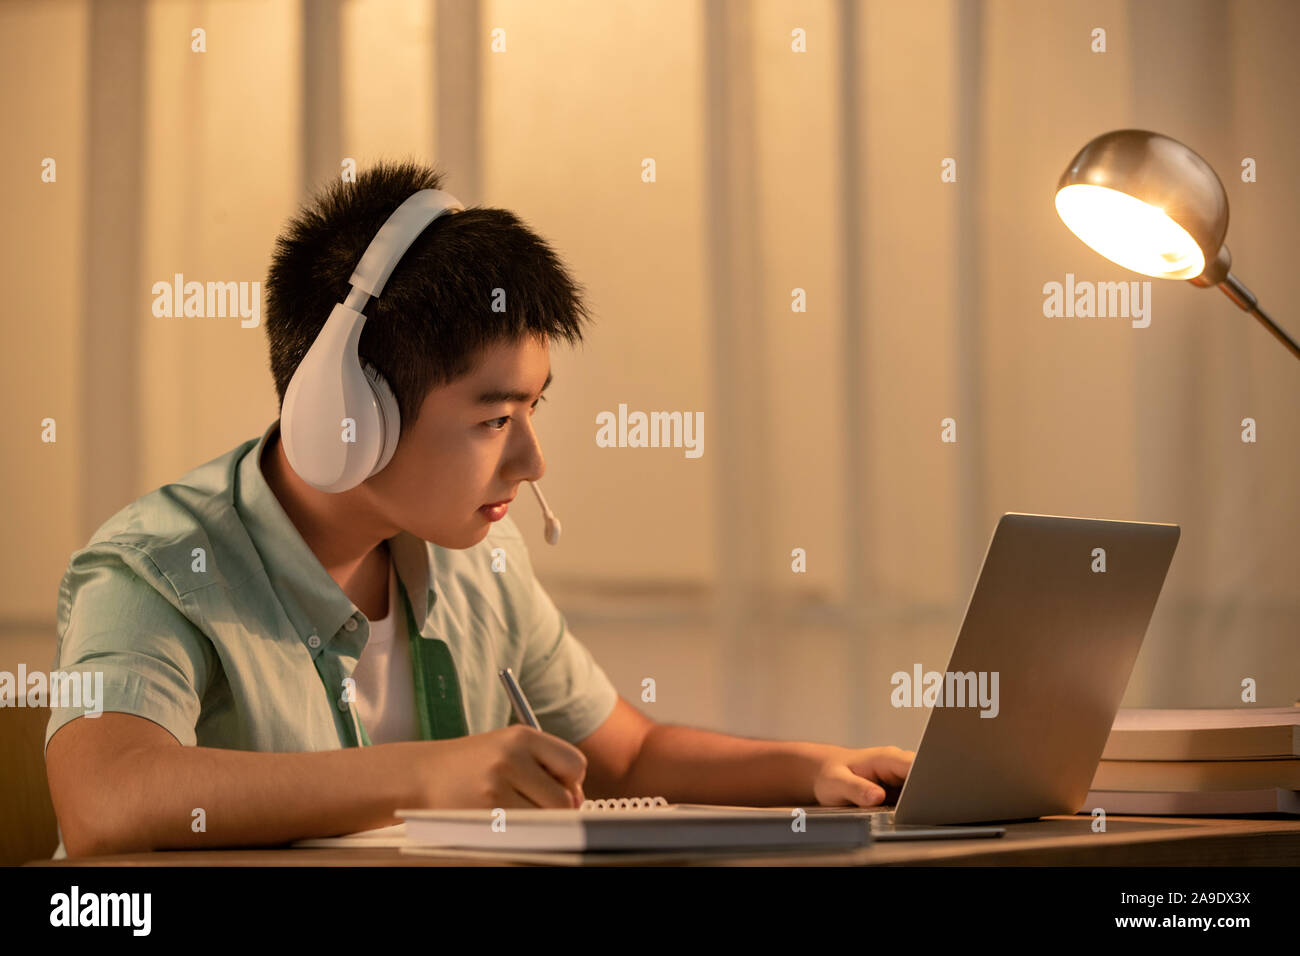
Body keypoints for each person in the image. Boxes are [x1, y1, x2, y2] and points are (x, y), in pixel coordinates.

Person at [43, 160, 914, 858]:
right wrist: (429, 775)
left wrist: (814, 769)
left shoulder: (475, 559)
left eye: (535, 410)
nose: (533, 462)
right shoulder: (157, 565)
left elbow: (626, 758)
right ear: (345, 419)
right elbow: (107, 799)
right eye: (496, 419)